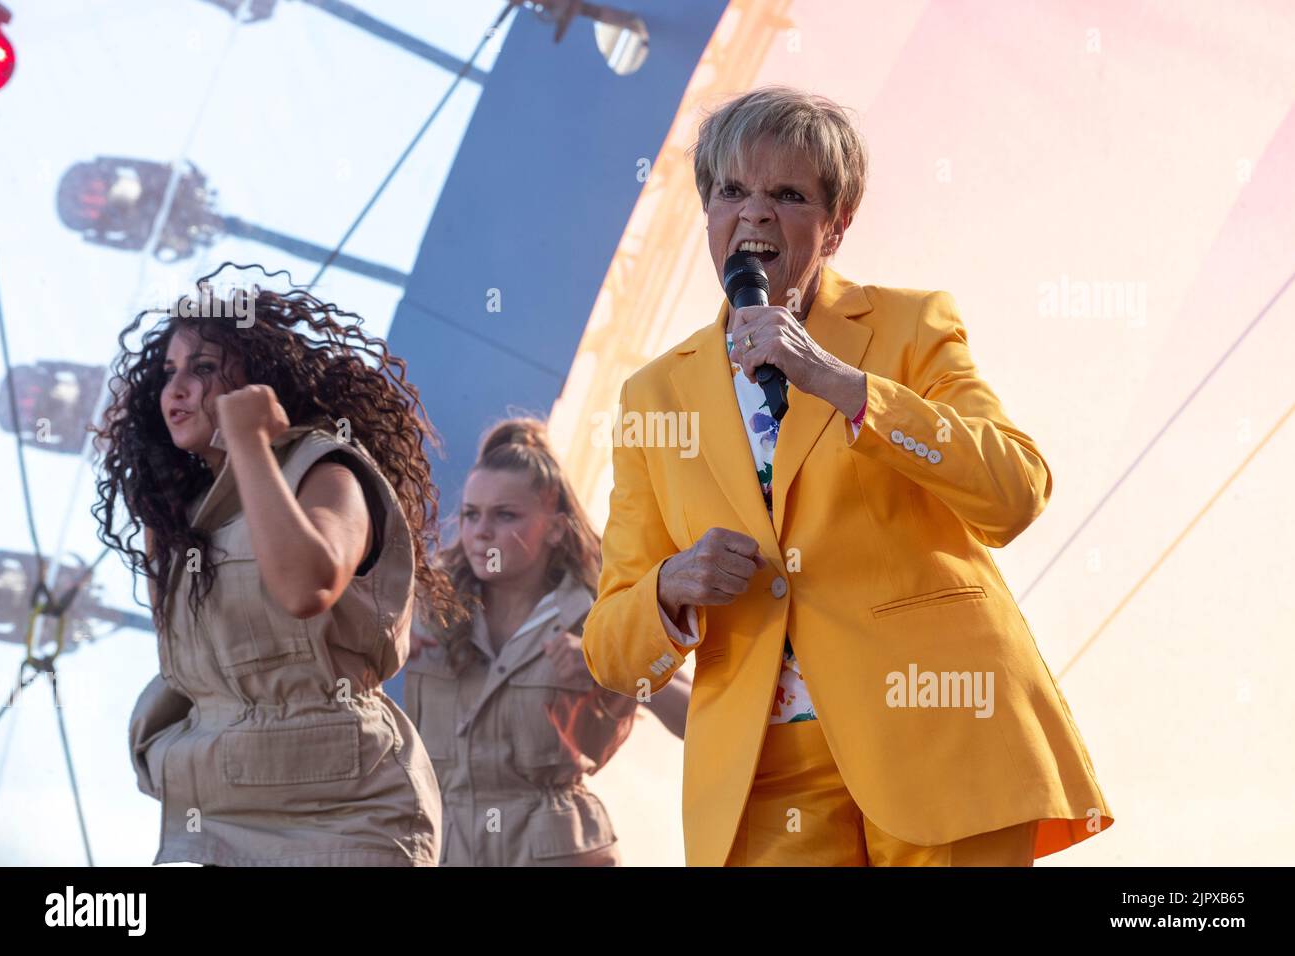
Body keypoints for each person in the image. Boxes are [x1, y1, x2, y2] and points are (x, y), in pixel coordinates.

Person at [581, 86, 1115, 866]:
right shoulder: (655, 396)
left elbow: (1015, 491)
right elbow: (609, 647)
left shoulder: (908, 326)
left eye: (788, 195)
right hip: (763, 783)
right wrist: (670, 586)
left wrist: (844, 385)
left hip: (937, 735)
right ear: (708, 214)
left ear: (837, 225)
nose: (755, 215)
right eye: (732, 191)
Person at [93, 268, 465, 866]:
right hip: (216, 820)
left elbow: (306, 584)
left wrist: (248, 444)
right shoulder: (182, 523)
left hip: (345, 815)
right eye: (169, 374)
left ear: (259, 379)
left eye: (204, 368)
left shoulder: (327, 471)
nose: (178, 389)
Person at [404, 417, 689, 865]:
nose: (481, 532)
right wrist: (384, 645)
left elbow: (697, 714)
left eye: (506, 515)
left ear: (555, 528)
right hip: (443, 847)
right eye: (472, 514)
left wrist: (612, 668)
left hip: (556, 851)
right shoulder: (423, 605)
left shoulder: (603, 613)